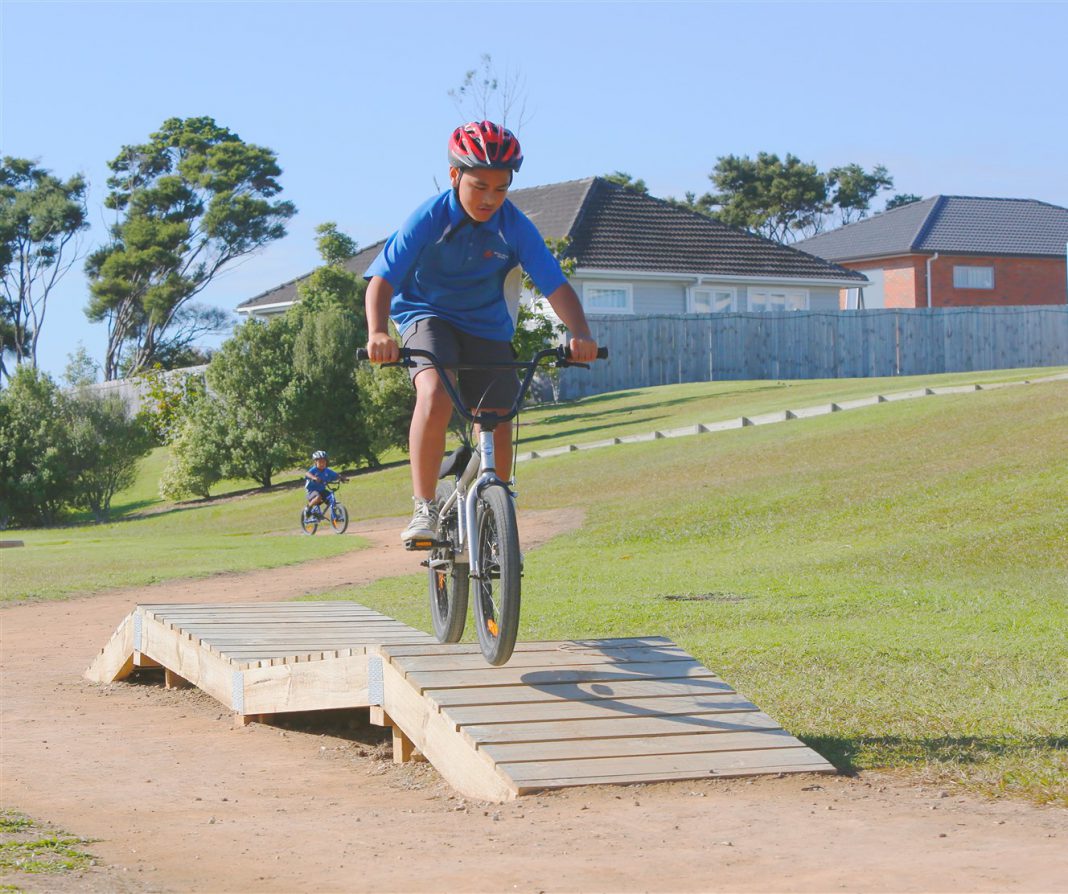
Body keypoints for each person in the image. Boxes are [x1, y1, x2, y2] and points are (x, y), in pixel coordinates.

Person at [364, 120, 598, 545]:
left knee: (498, 416)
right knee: (435, 394)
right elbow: (381, 280)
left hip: (487, 324)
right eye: (479, 186)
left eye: (501, 188)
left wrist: (580, 331)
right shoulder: (429, 217)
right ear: (455, 176)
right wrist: (378, 332)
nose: (490, 198)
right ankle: (425, 506)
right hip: (425, 314)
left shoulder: (514, 225)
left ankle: (494, 507)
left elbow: (554, 284)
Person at [304, 450, 341, 516]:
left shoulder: (327, 470)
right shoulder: (314, 469)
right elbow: (307, 474)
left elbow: (336, 475)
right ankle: (308, 507)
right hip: (311, 491)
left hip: (322, 490)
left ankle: (336, 515)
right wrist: (314, 478)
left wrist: (342, 478)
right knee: (318, 497)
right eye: (320, 462)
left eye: (324, 461)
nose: (322, 464)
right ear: (315, 462)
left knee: (331, 499)